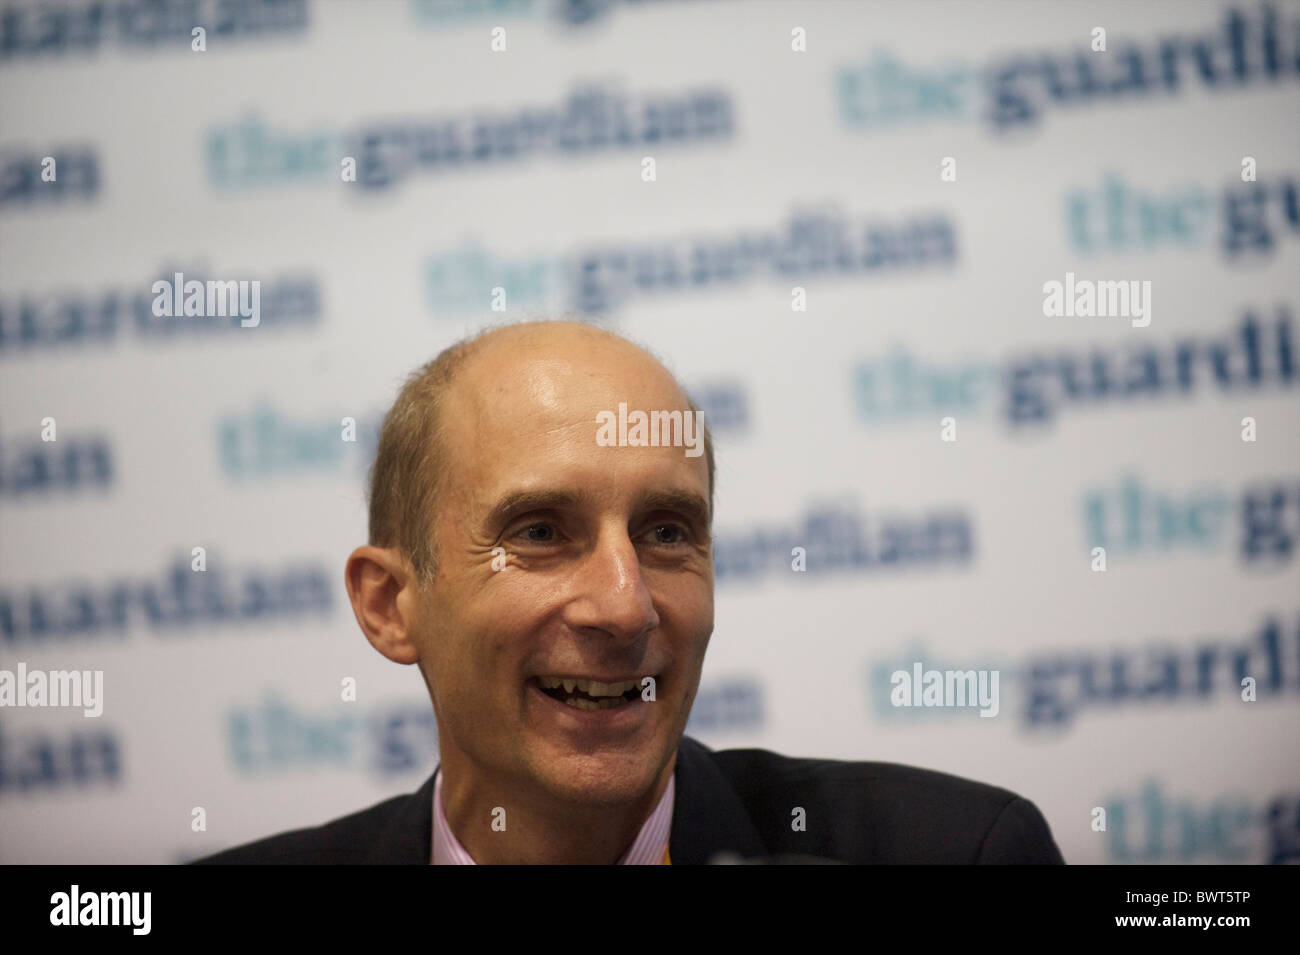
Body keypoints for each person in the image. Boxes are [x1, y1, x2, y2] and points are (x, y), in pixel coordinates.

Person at [196, 320, 1065, 865]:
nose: (624, 605)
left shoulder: (957, 850)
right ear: (391, 604)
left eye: (666, 533)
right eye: (539, 532)